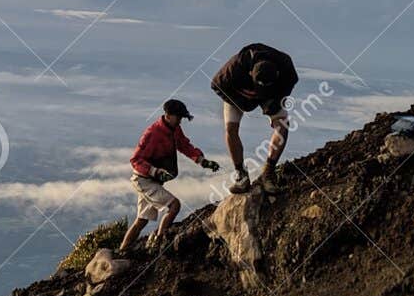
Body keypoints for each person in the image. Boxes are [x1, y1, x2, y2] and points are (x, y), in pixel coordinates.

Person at [118, 98, 220, 254]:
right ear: (168, 115)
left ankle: (122, 250)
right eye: (178, 117)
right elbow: (136, 160)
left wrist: (202, 161)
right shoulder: (152, 133)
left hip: (152, 181)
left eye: (181, 118)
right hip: (144, 180)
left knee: (142, 220)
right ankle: (159, 244)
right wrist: (155, 171)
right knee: (174, 206)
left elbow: (184, 146)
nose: (180, 121)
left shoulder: (174, 130)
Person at [210, 43, 298, 195]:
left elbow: (290, 82)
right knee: (231, 128)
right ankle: (241, 175)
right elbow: (216, 85)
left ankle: (268, 173)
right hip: (239, 94)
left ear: (277, 73)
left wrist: (274, 103)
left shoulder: (285, 66)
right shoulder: (232, 70)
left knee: (283, 125)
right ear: (250, 73)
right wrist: (242, 102)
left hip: (272, 94)